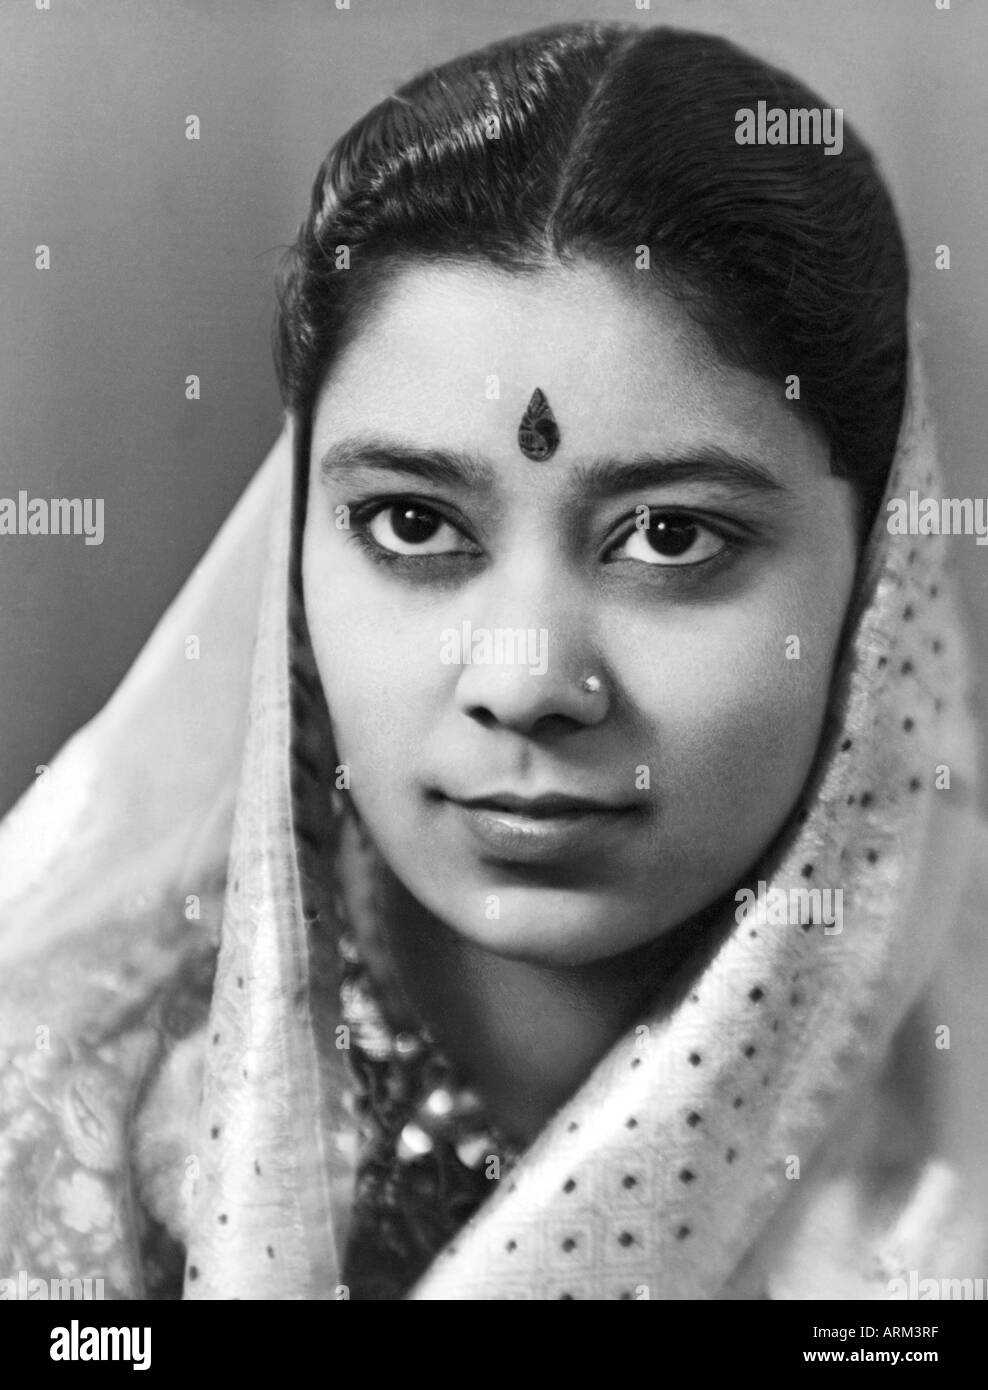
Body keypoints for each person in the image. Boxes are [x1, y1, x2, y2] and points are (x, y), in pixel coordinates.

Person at [1, 20, 985, 1302]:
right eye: (414, 523)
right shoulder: (56, 1112)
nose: (523, 683)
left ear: (873, 584)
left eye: (671, 536)